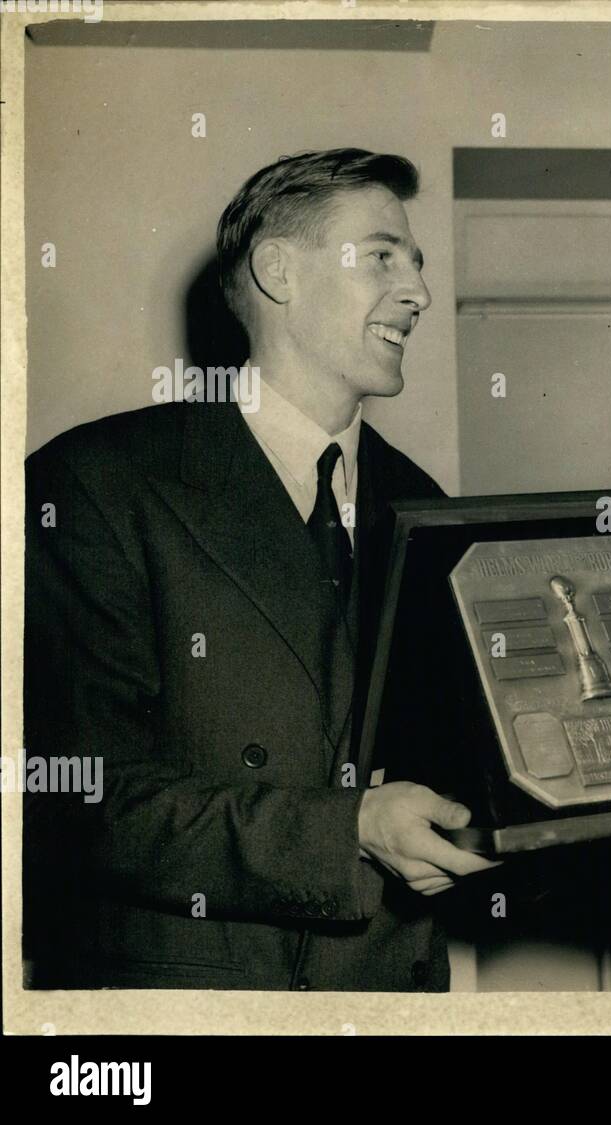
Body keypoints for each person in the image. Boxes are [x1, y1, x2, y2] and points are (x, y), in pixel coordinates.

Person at [24, 148, 494, 991]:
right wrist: (344, 831)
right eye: (383, 256)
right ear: (278, 270)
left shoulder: (428, 505)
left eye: (417, 265)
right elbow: (75, 798)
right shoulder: (99, 482)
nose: (419, 291)